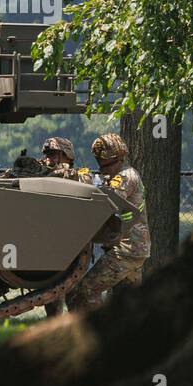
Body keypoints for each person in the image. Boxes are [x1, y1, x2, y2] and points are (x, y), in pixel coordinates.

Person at [65, 133, 150, 313]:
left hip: (127, 250)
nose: (103, 169)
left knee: (83, 292)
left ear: (119, 158)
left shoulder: (126, 176)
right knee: (127, 304)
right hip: (130, 248)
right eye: (100, 164)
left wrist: (85, 181)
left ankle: (94, 332)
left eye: (107, 165)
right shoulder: (118, 175)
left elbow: (107, 202)